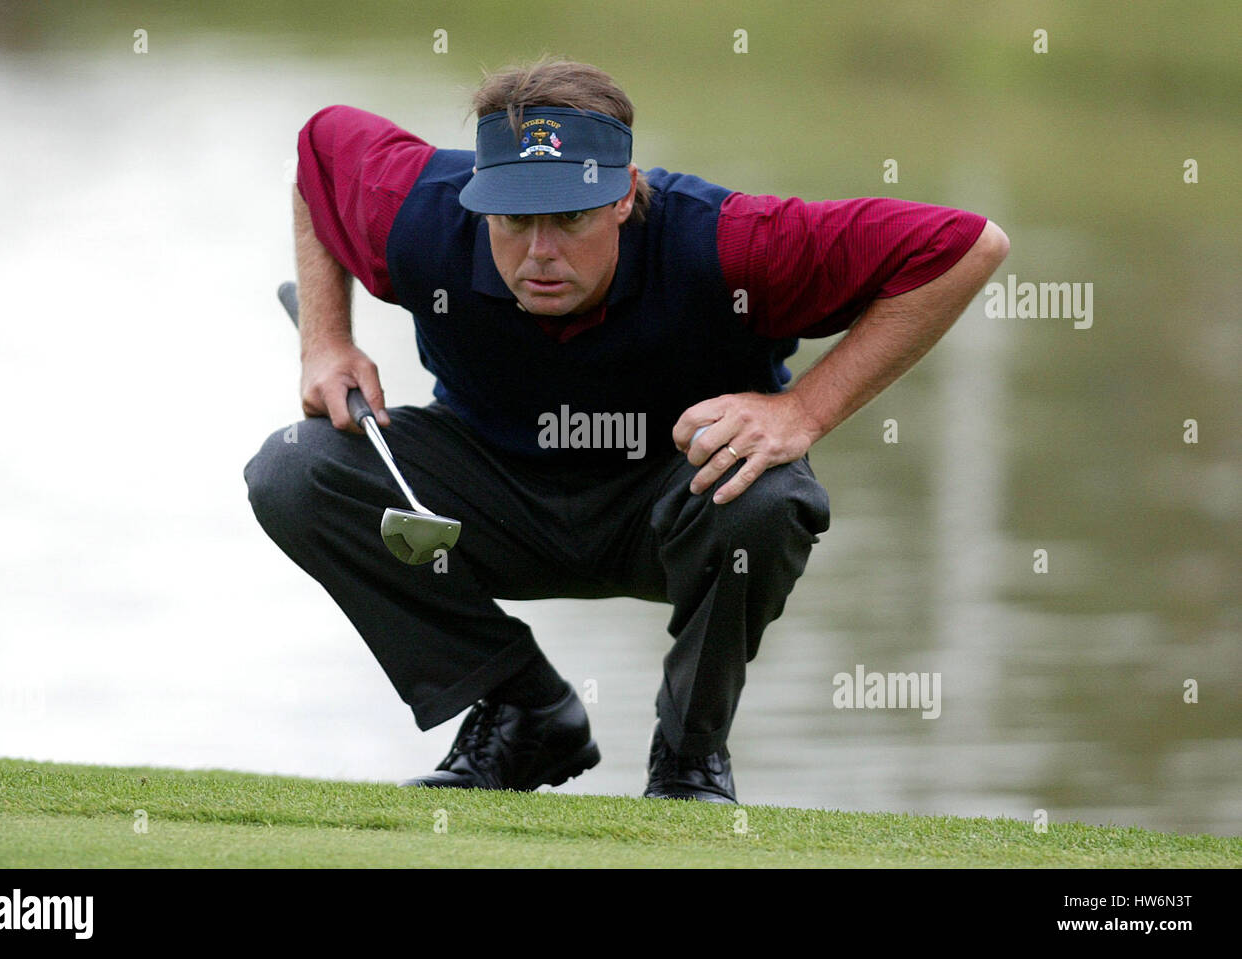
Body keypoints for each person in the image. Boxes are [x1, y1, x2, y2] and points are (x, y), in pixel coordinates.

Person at [244, 57, 1009, 804]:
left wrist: (802, 411)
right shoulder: (423, 215)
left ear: (624, 194)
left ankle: (689, 760)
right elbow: (319, 155)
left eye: (570, 217)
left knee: (769, 495)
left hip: (676, 504)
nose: (539, 252)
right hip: (489, 496)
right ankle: (523, 712)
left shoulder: (731, 241)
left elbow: (969, 246)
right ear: (480, 201)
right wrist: (326, 339)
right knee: (293, 469)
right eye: (513, 219)